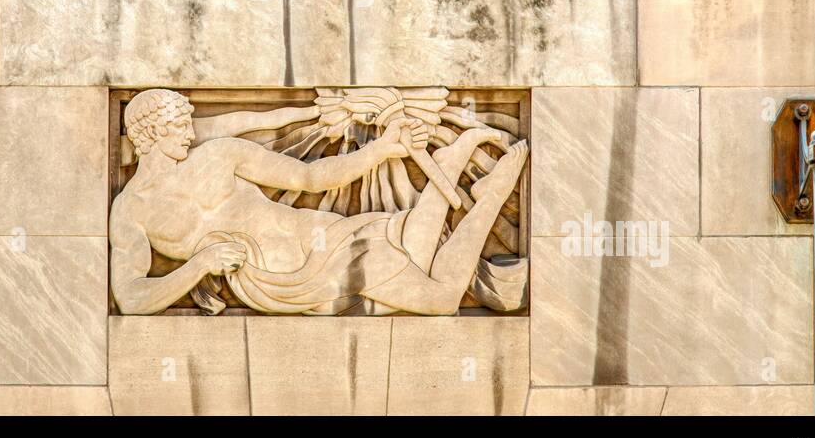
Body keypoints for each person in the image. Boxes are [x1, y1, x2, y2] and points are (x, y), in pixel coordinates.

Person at [109, 89, 527, 316]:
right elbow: (130, 298)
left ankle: (461, 170)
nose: (189, 132)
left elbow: (309, 177)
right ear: (150, 132)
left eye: (187, 123)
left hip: (321, 233)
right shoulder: (132, 210)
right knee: (441, 299)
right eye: (178, 126)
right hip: (280, 279)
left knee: (424, 258)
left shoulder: (218, 155)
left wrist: (379, 151)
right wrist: (198, 266)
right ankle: (481, 190)